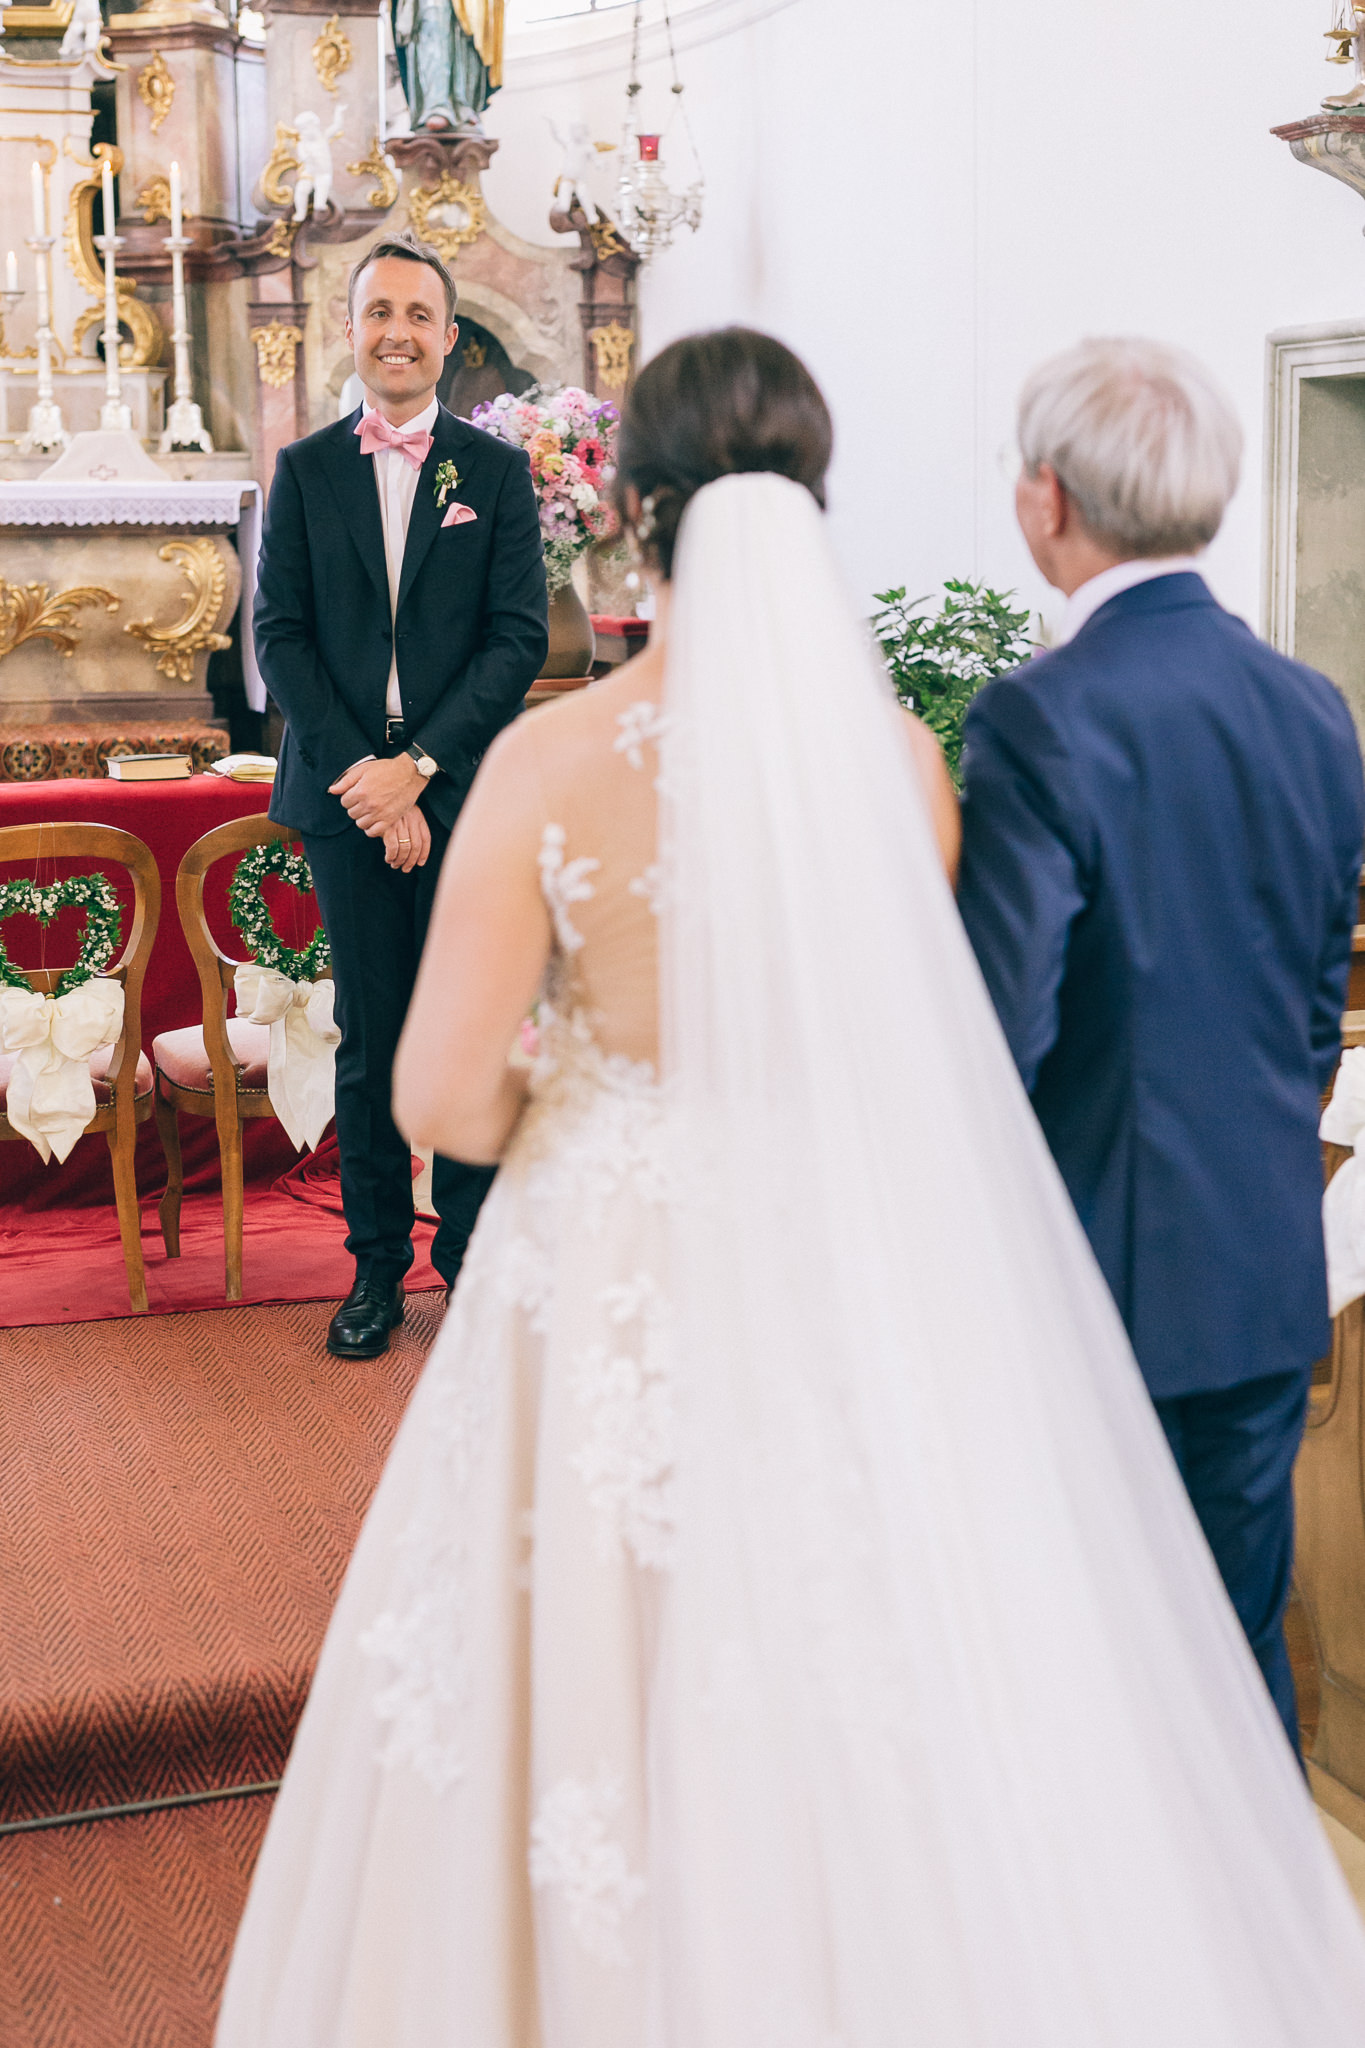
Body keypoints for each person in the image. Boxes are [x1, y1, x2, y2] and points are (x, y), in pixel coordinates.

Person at [217, 329, 1365, 2048]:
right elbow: (937, 1039)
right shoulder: (905, 758)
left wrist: (575, 1077)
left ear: (626, 513)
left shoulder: (548, 761)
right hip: (847, 1260)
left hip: (602, 1265)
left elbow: (441, 1090)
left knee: (586, 1659)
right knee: (872, 1643)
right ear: (810, 508)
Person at [956, 337, 1365, 1754]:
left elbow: (998, 1035)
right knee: (1233, 1649)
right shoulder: (1314, 709)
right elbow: (1317, 1012)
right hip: (1260, 1265)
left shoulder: (1039, 717)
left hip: (1096, 1276)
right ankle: (1276, 1964)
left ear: (1043, 500)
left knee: (1088, 1671)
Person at [254, 230, 547, 1360]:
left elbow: (515, 641)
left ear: (451, 336)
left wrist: (418, 769)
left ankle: (468, 1261)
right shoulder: (309, 471)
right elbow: (280, 641)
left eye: (420, 316)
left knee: (470, 1028)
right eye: (380, 313)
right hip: (343, 800)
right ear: (350, 328)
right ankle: (377, 1268)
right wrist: (368, 784)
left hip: (463, 794)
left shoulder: (498, 474)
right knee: (370, 1038)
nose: (399, 334)